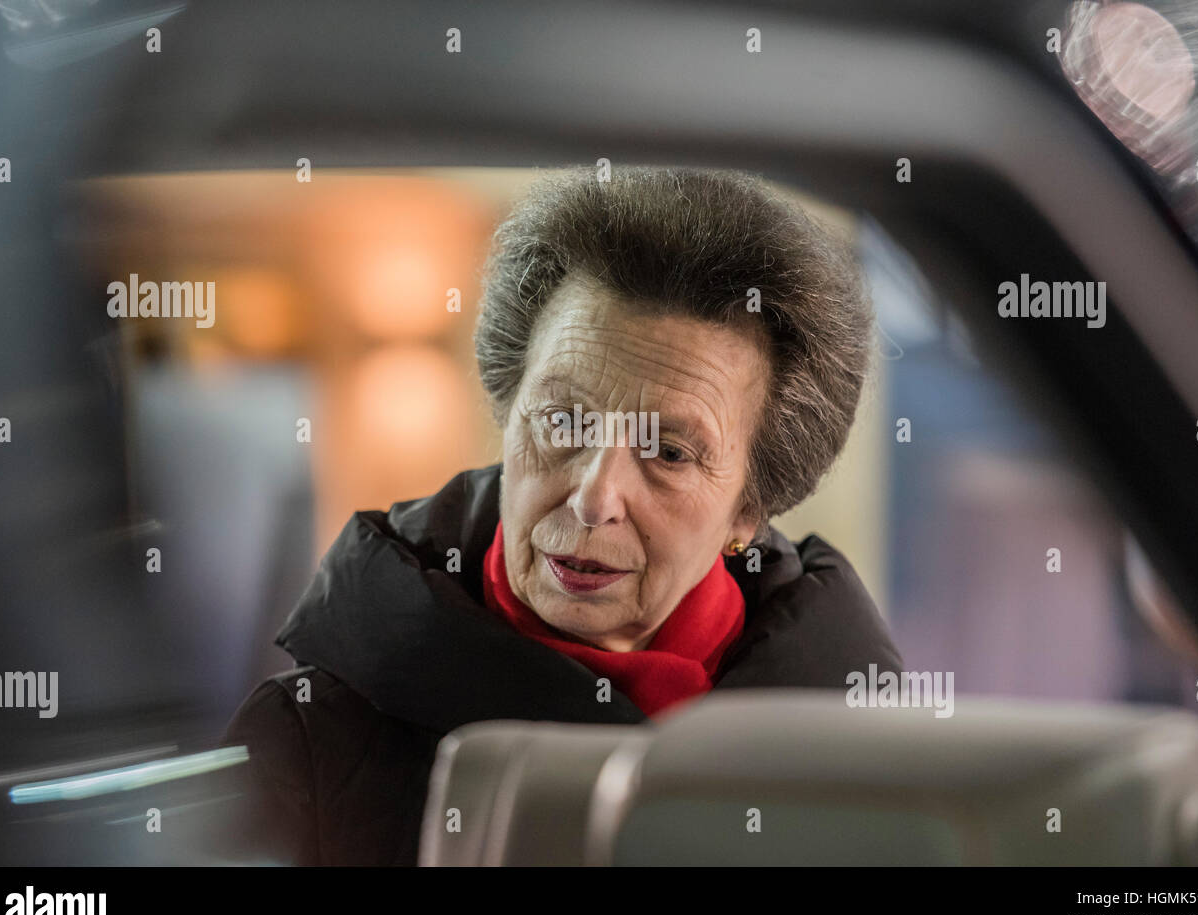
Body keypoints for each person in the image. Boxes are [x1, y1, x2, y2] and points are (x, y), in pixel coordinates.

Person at [221, 165, 903, 865]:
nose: (594, 498)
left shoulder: (865, 759)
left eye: (667, 452)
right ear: (507, 413)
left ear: (748, 514)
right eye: (563, 421)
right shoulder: (309, 738)